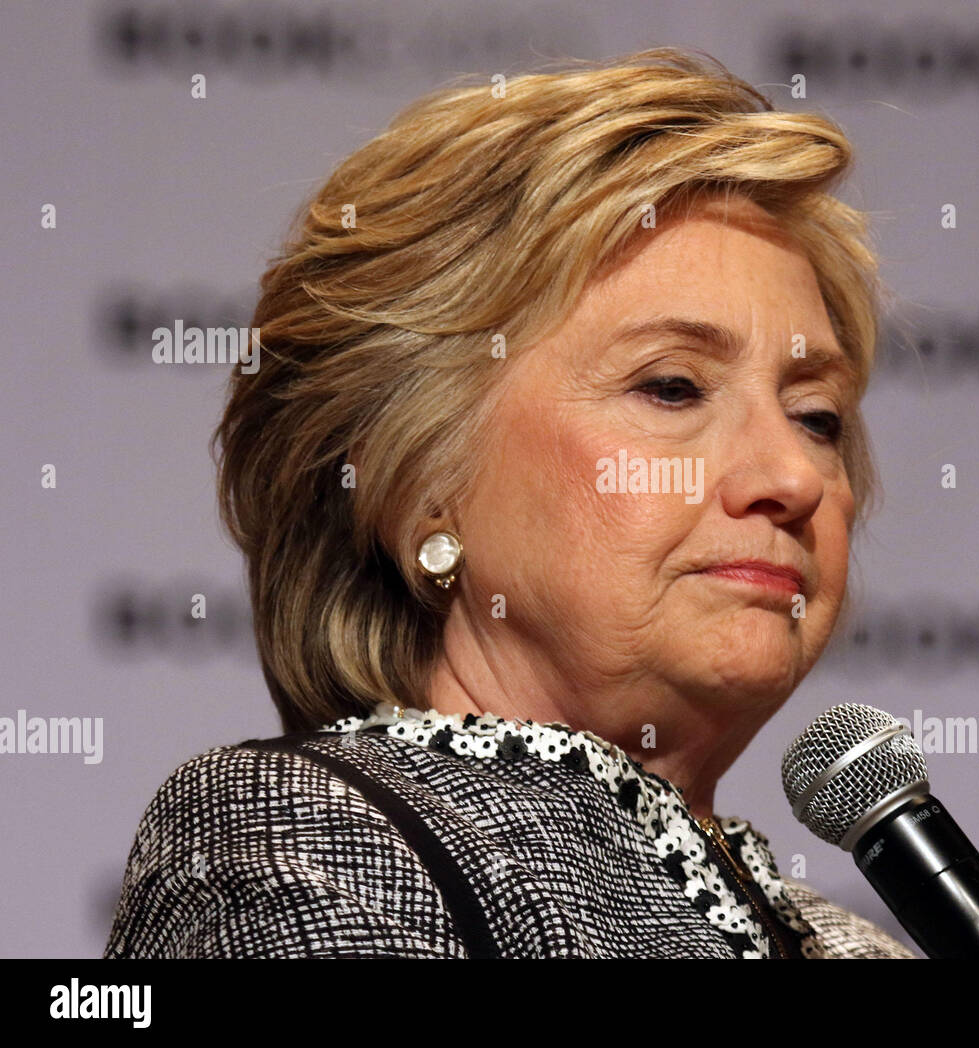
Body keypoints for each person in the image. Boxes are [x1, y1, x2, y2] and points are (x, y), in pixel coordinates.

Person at [104, 46, 913, 959]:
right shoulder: (309, 836)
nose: (794, 478)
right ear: (422, 478)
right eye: (674, 388)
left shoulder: (864, 948)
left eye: (816, 415)